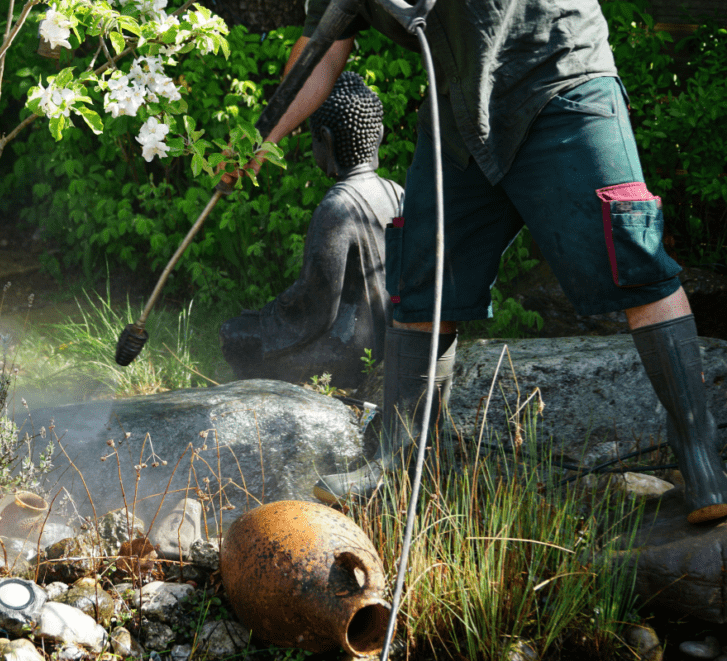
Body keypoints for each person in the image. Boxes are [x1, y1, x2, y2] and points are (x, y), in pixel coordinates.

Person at [223, 0, 727, 524]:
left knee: (633, 261)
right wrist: (261, 135)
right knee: (422, 277)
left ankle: (699, 455)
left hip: (561, 79)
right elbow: (323, 49)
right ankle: (402, 465)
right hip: (459, 108)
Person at [219, 72, 404, 390]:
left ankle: (266, 409)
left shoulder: (339, 205)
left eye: (313, 140)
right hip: (391, 338)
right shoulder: (397, 192)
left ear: (326, 140)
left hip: (346, 351)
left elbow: (316, 303)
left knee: (235, 333)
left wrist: (265, 318)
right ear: (381, 134)